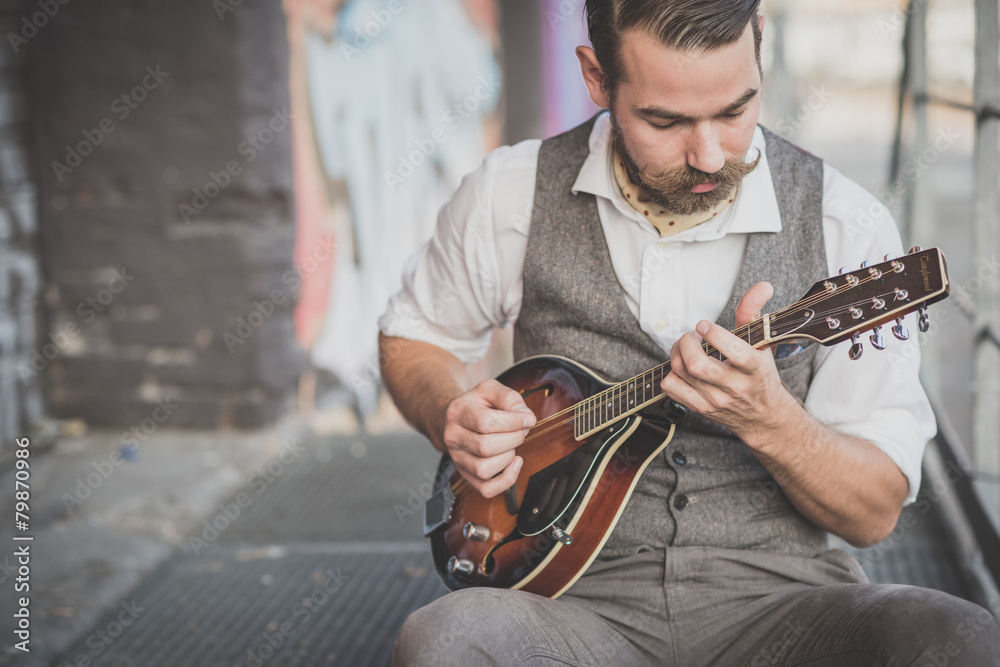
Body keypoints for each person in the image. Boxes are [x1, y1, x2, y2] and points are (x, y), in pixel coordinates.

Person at [378, 1, 1000, 664]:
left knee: (960, 638)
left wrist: (772, 421)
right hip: (565, 606)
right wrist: (453, 409)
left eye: (734, 111)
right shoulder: (510, 193)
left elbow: (873, 515)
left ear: (759, 39)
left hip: (787, 607)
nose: (708, 155)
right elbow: (415, 336)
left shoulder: (847, 224)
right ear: (596, 76)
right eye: (664, 120)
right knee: (441, 640)